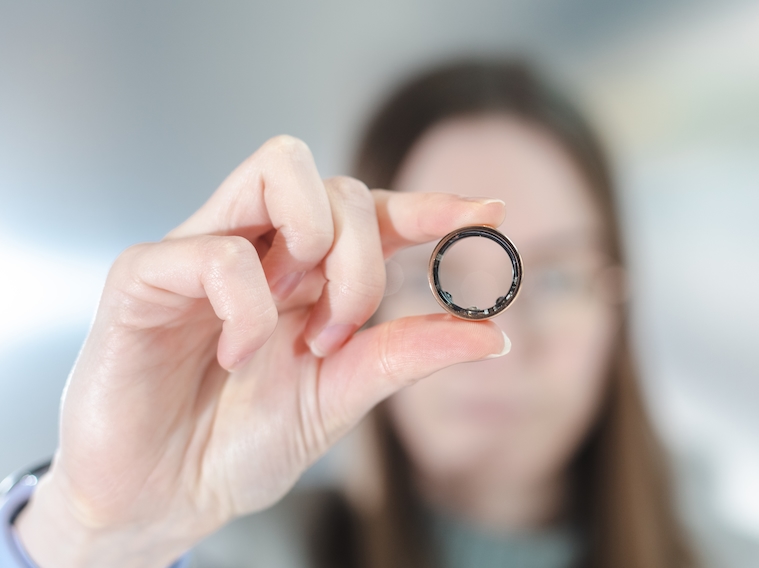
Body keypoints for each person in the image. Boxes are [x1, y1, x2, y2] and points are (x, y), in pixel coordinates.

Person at [2, 61, 710, 568]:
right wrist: (102, 533)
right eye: (440, 277)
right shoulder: (218, 550)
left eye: (558, 280)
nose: (509, 340)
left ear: (618, 301)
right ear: (360, 294)